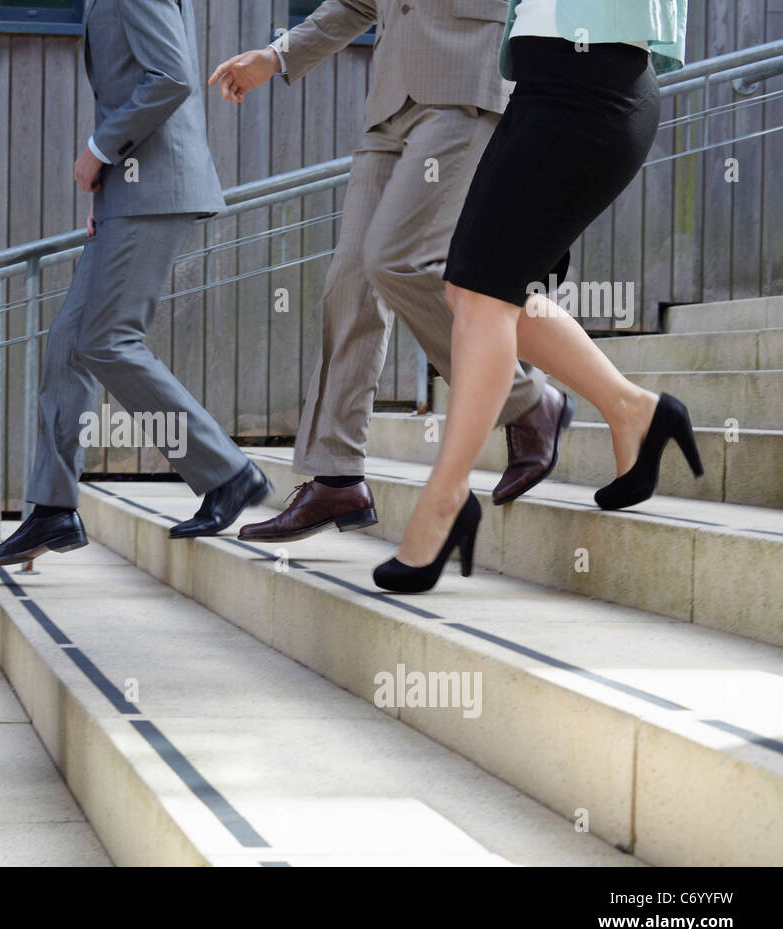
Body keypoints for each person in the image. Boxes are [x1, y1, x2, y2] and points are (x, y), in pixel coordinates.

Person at [209, 0, 573, 546]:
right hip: (390, 102)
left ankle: (526, 401)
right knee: (349, 286)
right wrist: (276, 55)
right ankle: (335, 476)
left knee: (398, 259)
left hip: (464, 85)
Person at [374, 0, 693, 594]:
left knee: (483, 299)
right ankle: (633, 410)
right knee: (474, 289)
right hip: (537, 85)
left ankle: (444, 502)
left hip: (595, 84)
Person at [0, 0, 271, 569]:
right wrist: (108, 185)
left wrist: (99, 149)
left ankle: (227, 473)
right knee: (70, 345)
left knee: (108, 341)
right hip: (130, 190)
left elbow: (172, 76)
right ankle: (52, 509)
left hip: (157, 185)